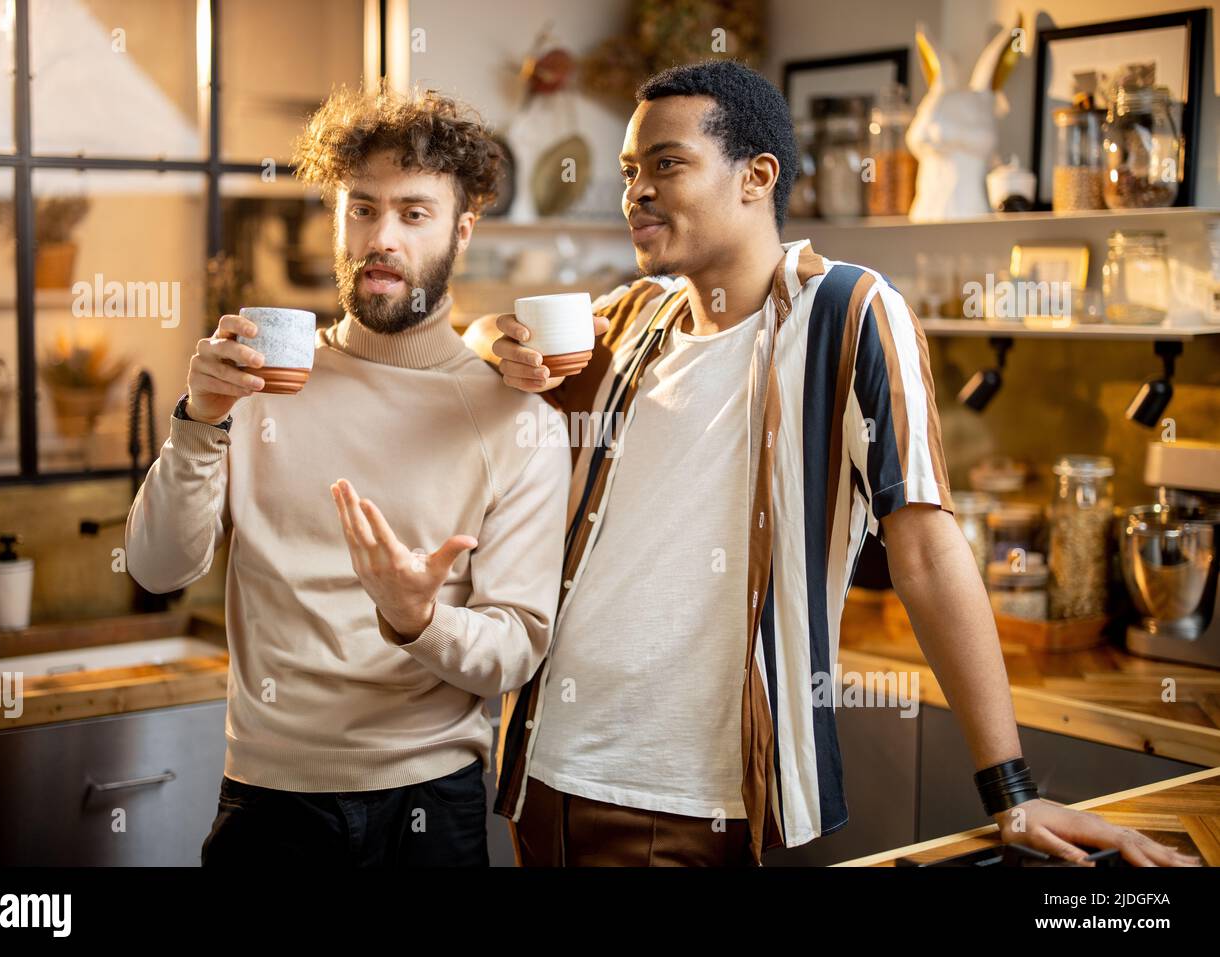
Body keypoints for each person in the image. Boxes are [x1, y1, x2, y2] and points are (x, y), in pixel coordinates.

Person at [466, 60, 1201, 868]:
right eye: (630, 171)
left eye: (667, 164)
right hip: (543, 765)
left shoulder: (850, 314)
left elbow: (925, 550)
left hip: (678, 796)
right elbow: (488, 357)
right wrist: (486, 344)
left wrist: (1013, 790)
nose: (636, 189)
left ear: (758, 176)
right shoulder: (630, 317)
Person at [126, 84, 570, 867]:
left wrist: (417, 619)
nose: (381, 237)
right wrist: (199, 420)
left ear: (463, 229)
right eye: (360, 208)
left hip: (430, 802)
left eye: (413, 212)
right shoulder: (257, 384)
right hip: (268, 796)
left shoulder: (518, 417)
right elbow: (160, 568)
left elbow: (517, 647)